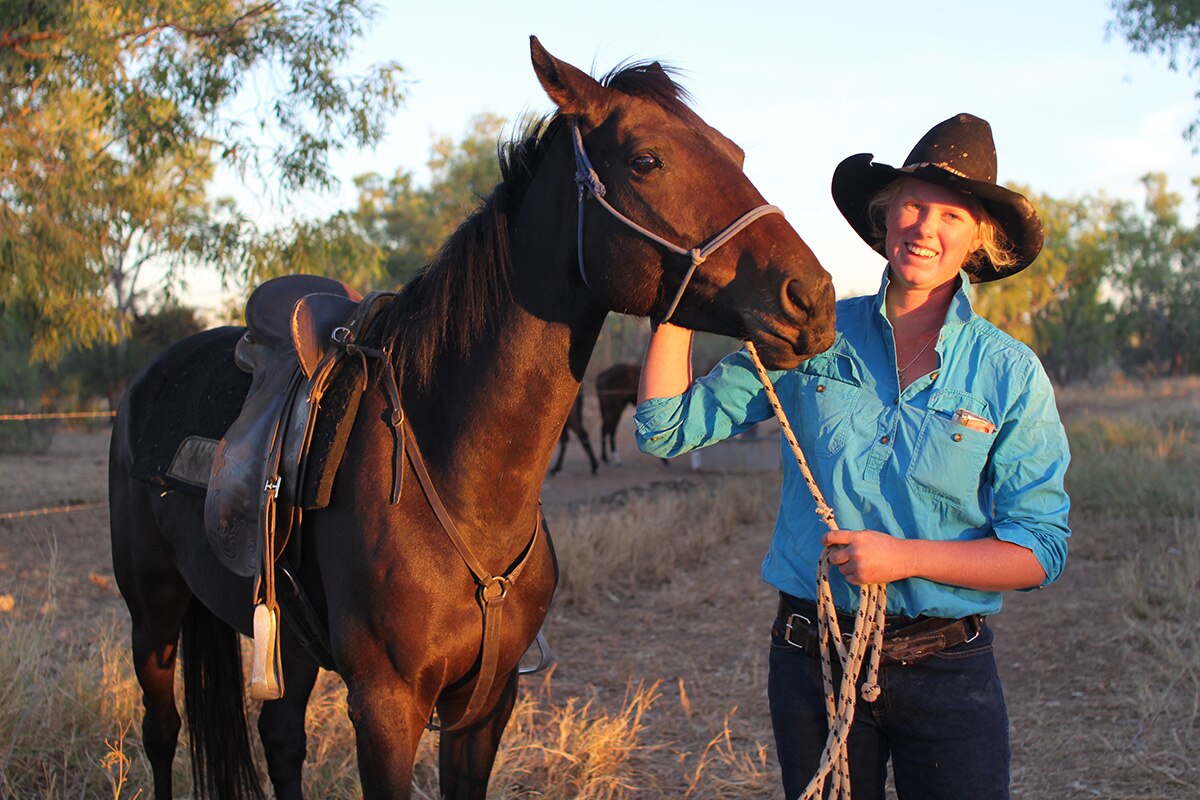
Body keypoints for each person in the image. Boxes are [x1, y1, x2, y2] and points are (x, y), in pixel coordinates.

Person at [633, 113, 1071, 800]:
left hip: (950, 670)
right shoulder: (814, 336)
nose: (926, 228)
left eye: (951, 215)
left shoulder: (1009, 374)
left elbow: (1039, 548)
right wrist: (678, 302)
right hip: (815, 661)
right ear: (884, 214)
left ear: (979, 237)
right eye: (913, 205)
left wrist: (907, 558)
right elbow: (666, 429)